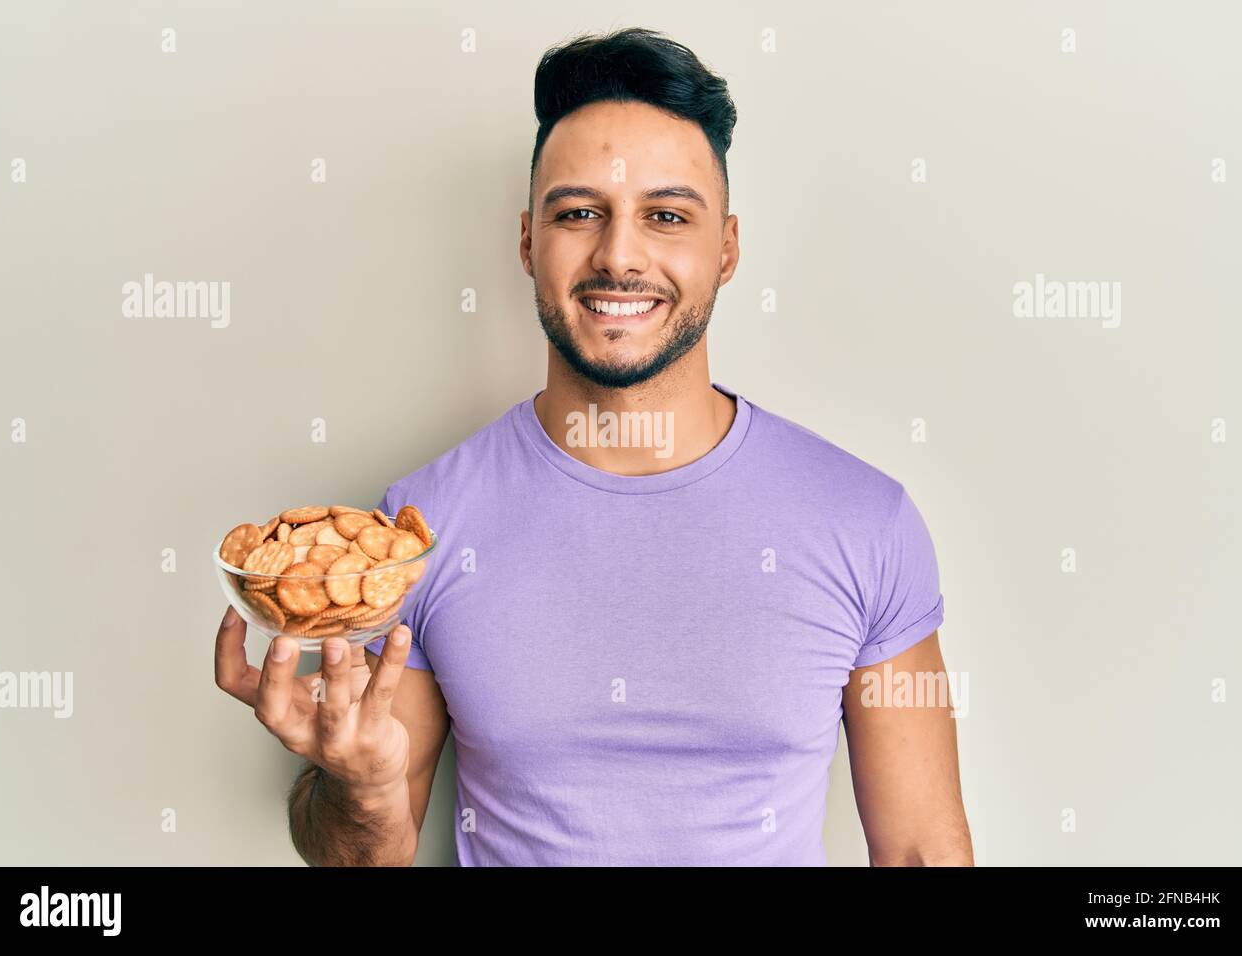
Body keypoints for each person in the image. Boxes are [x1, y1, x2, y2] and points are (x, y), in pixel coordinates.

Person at [216, 26, 973, 867]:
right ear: (527, 242)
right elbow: (364, 859)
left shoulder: (866, 522)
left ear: (726, 247)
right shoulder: (419, 532)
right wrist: (359, 786)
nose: (619, 255)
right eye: (579, 213)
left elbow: (920, 852)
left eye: (666, 216)